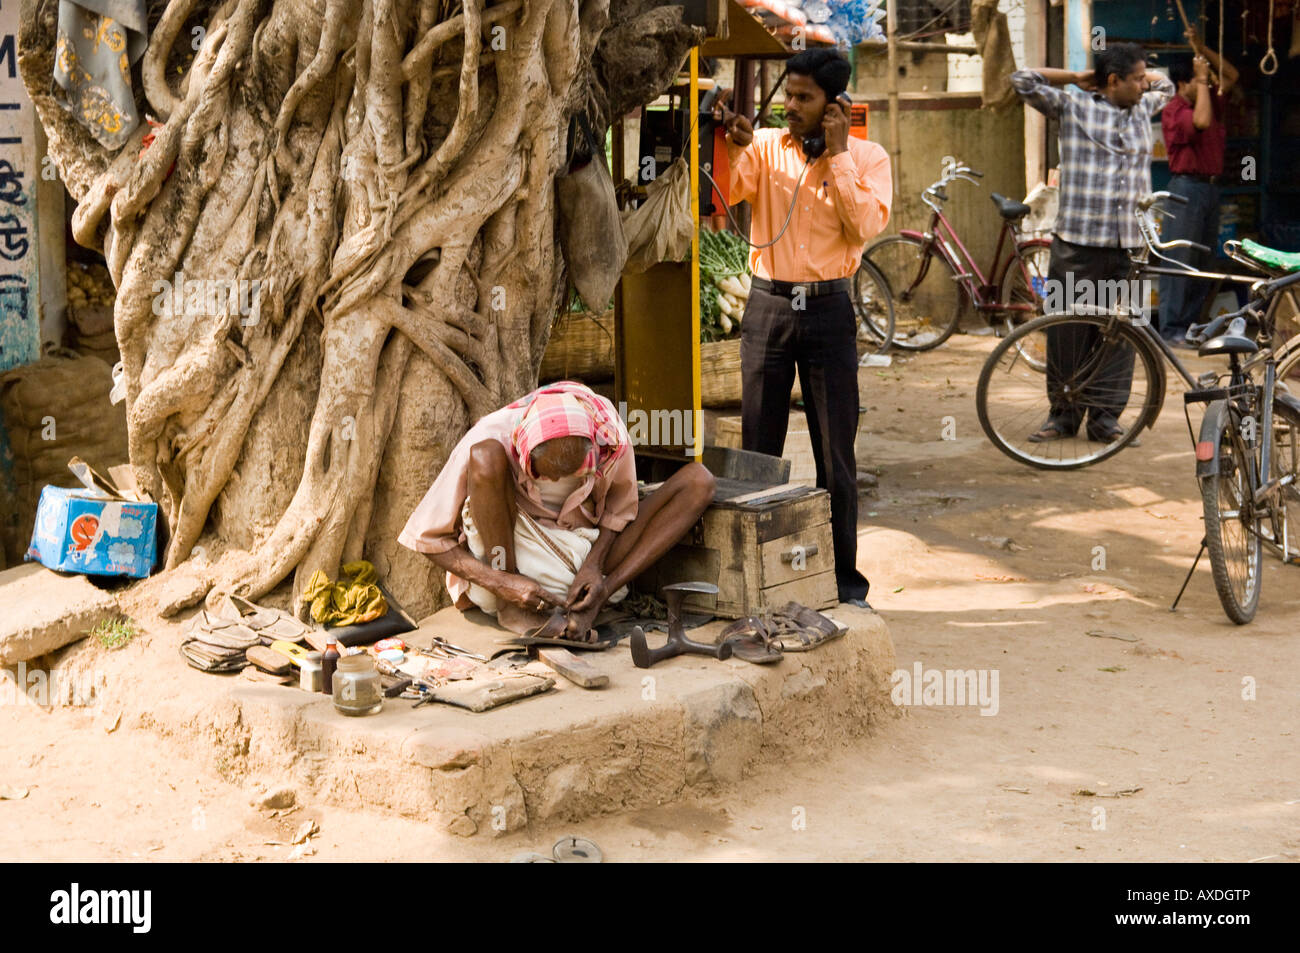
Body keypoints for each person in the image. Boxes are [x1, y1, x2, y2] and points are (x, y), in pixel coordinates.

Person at [713, 48, 891, 608]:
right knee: (758, 450)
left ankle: (843, 581)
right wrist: (732, 143)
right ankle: (754, 578)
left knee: (836, 451)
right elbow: (729, 194)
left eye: (804, 98)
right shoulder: (766, 147)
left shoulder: (868, 157)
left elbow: (863, 224)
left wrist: (836, 156)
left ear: (834, 105)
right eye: (788, 95)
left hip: (829, 309)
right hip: (769, 305)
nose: (790, 105)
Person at [399, 381, 715, 641]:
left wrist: (595, 567)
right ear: (524, 452)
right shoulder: (492, 435)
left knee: (699, 481)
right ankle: (513, 608)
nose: (555, 482)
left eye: (571, 475)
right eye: (545, 474)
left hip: (586, 551)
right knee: (485, 457)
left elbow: (618, 513)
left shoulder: (609, 434)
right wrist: (502, 583)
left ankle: (598, 598)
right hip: (512, 554)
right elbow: (428, 538)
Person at [1011, 44, 1174, 445]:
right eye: (1134, 78)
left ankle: (1105, 420)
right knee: (1069, 330)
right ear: (1113, 81)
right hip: (1079, 244)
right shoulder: (1073, 107)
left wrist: (1143, 76)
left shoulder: (1143, 106)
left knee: (1121, 334)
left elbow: (1167, 85)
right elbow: (1021, 80)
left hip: (1129, 246)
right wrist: (1078, 77)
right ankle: (1062, 416)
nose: (1143, 84)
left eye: (1143, 77)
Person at [1158, 28, 1238, 348]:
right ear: (1183, 84)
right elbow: (1201, 121)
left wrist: (1201, 48)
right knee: (1180, 259)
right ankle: (1172, 328)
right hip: (1186, 188)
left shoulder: (1208, 99)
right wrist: (1203, 80)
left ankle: (1190, 325)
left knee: (1203, 261)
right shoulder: (1175, 111)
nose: (1206, 83)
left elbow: (1231, 75)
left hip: (1209, 189)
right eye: (1197, 80)